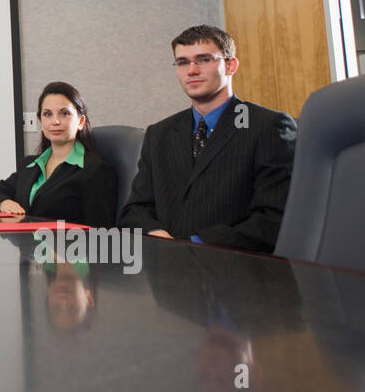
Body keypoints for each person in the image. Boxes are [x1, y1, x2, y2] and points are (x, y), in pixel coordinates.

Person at [119, 24, 297, 252]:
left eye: (204, 59)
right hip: (167, 271)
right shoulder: (159, 134)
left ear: (230, 65)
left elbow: (273, 219)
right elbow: (135, 210)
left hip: (235, 271)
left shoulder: (267, 126)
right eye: (183, 62)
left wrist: (196, 244)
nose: (191, 70)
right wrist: (157, 235)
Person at [0, 81, 117, 226]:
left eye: (64, 113)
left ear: (81, 121)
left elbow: (100, 235)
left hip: (67, 247)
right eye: (47, 114)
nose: (55, 121)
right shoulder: (29, 165)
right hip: (26, 247)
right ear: (41, 122)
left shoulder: (96, 170)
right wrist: (3, 202)